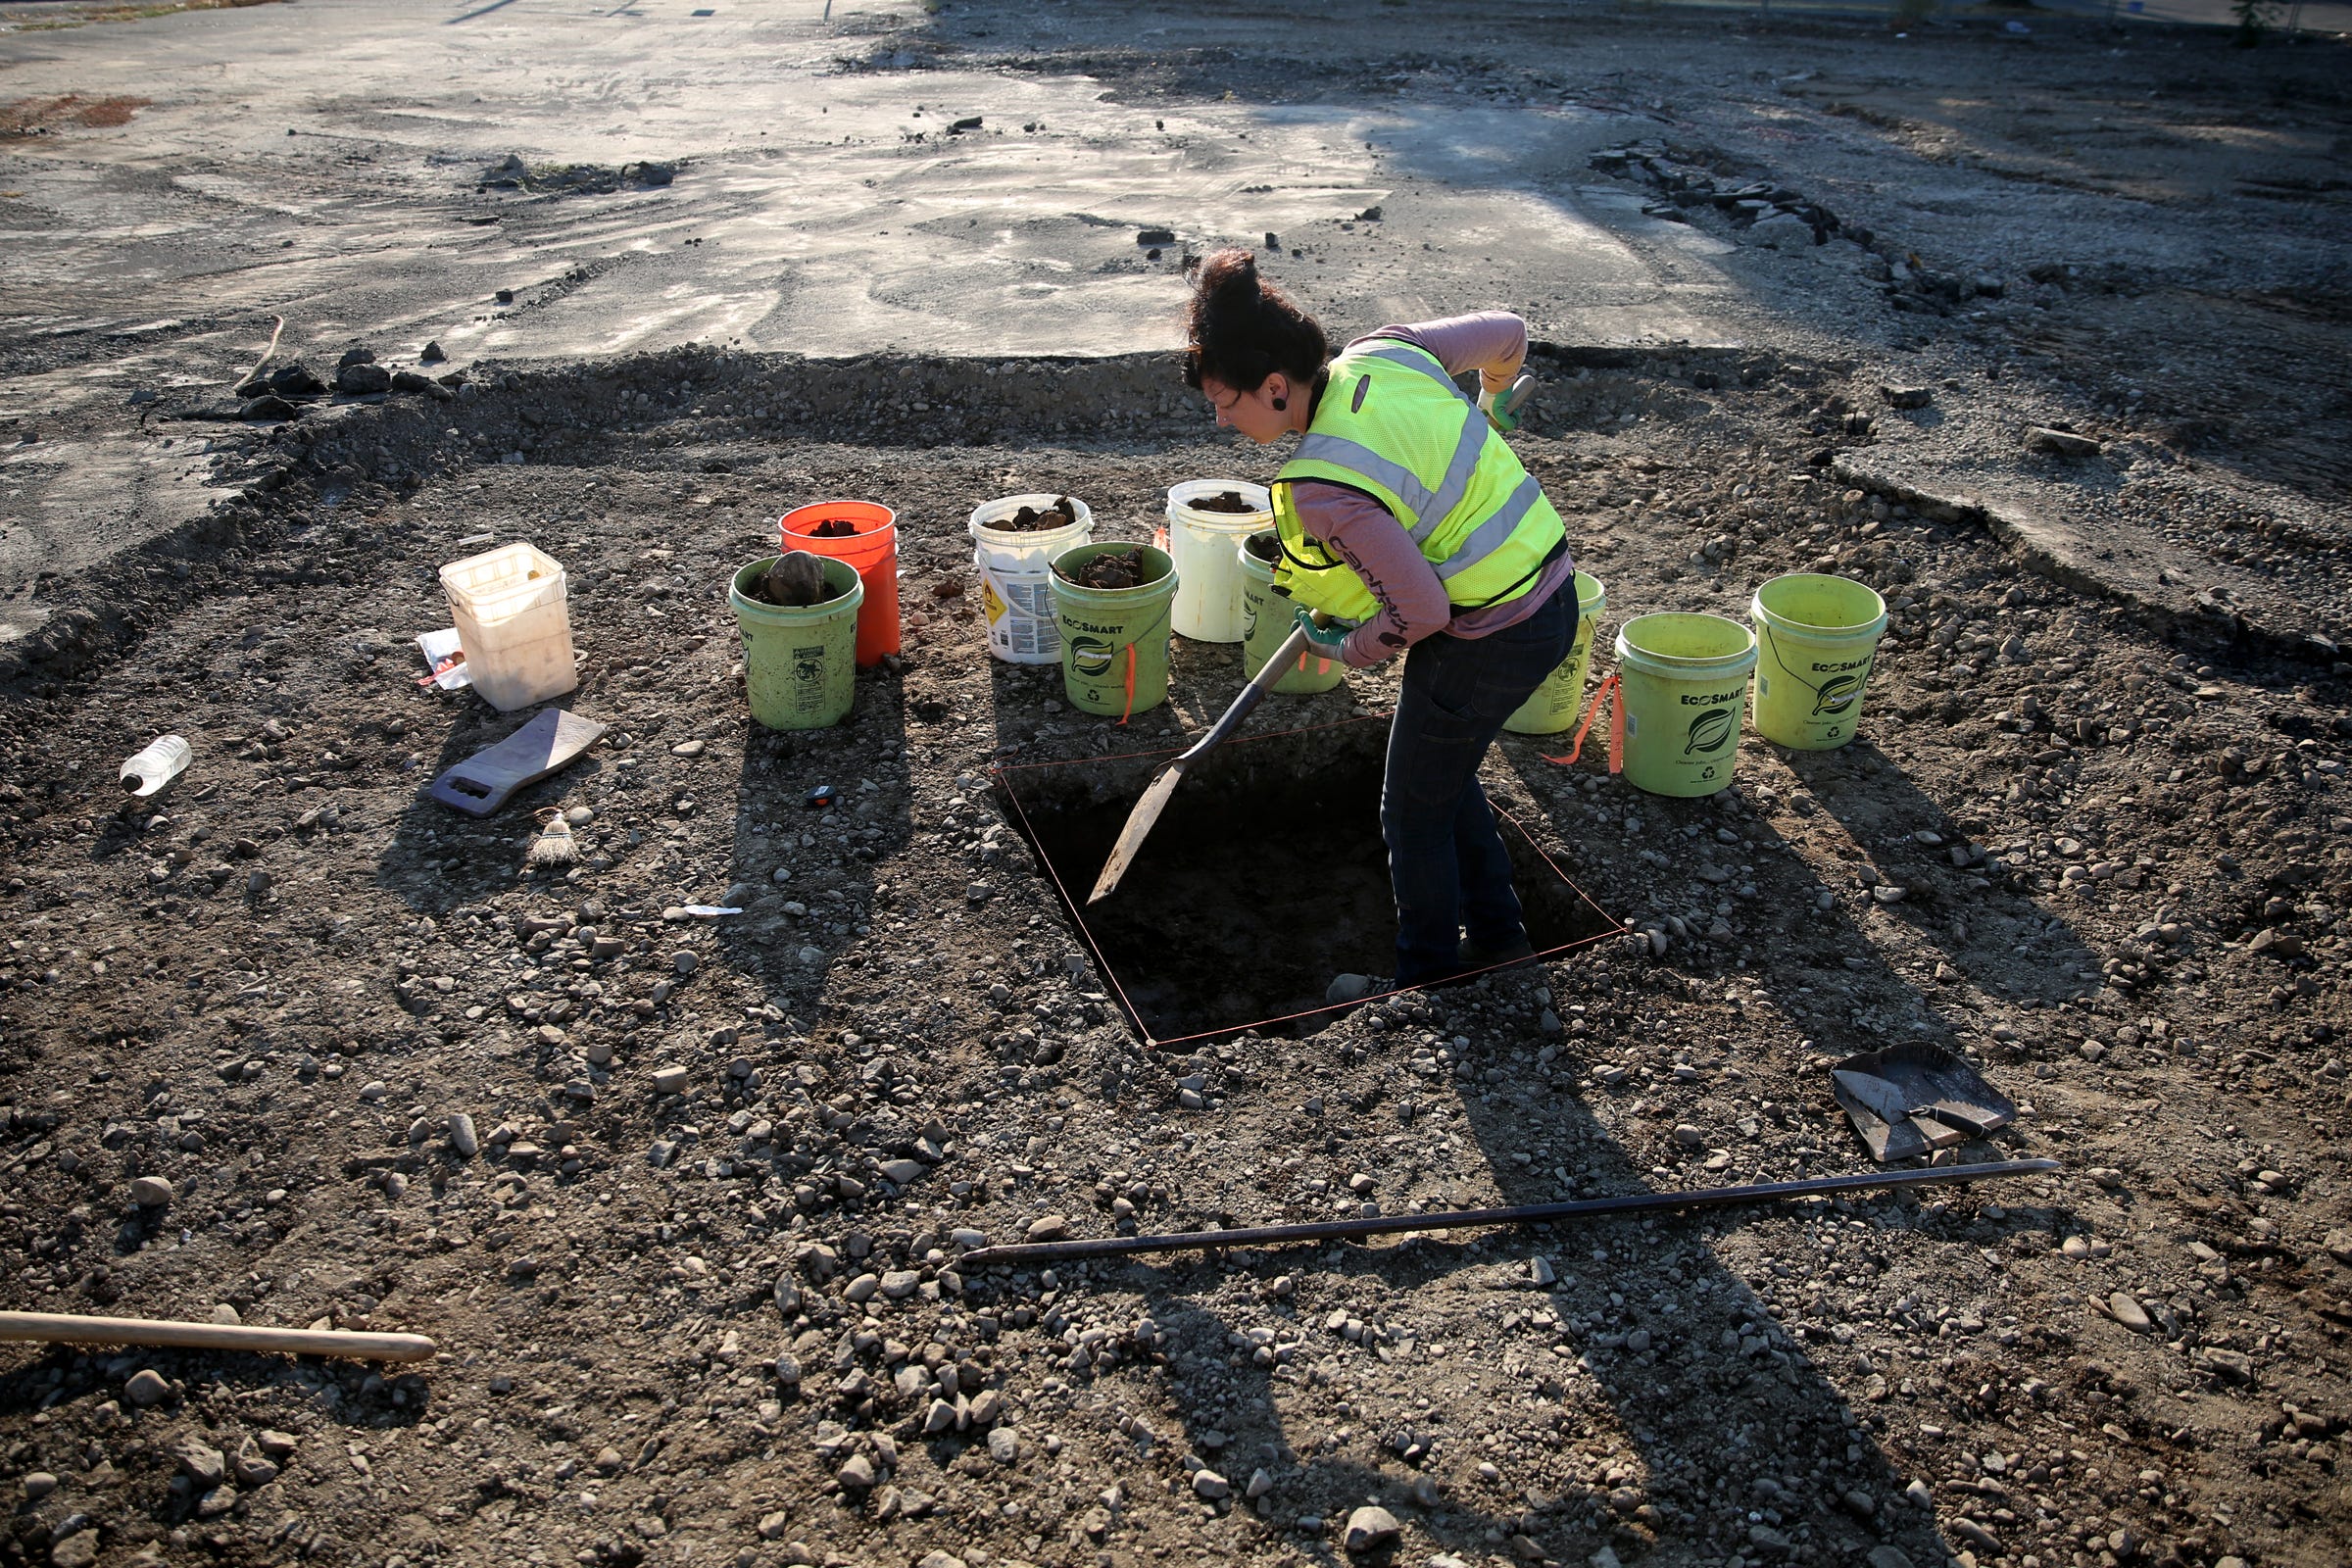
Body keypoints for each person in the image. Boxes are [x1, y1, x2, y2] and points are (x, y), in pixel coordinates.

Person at [1182, 248, 1577, 989]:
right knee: (1443, 779)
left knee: (1410, 812)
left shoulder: (1324, 486)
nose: (1220, 418)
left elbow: (1420, 611)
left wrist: (1349, 648)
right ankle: (1502, 944)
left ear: (1274, 388)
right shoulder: (1390, 350)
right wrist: (1494, 402)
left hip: (1487, 636)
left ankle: (1426, 975)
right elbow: (1509, 334)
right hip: (1552, 591)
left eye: (1225, 401)